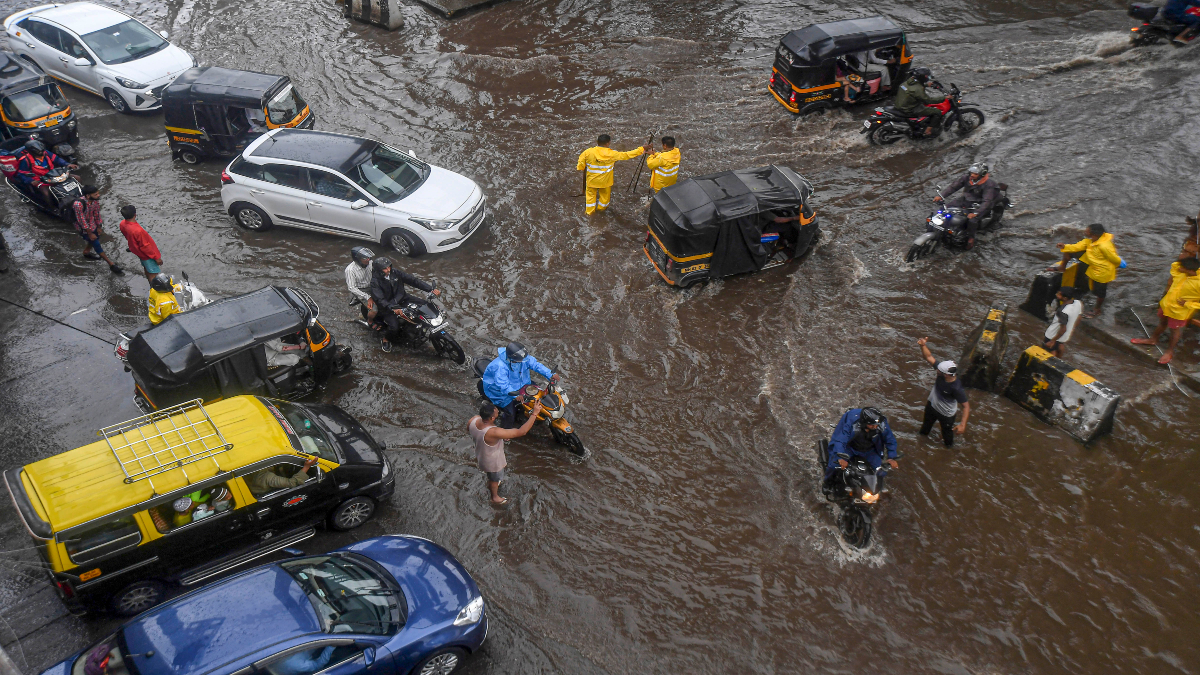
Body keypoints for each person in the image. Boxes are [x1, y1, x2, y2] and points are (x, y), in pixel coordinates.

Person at [468, 399, 543, 504]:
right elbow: (522, 431)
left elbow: (471, 431)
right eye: (496, 412)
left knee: (492, 476)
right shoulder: (494, 432)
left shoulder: (473, 420)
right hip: (492, 462)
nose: (498, 412)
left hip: (481, 455)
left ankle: (493, 481)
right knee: (494, 479)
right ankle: (495, 497)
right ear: (492, 418)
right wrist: (535, 413)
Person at [1131, 257, 1200, 364]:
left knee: (1174, 330)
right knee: (1162, 322)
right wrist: (1183, 267)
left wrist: (1188, 304)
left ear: (1190, 270)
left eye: (1183, 268)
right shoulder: (1182, 273)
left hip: (1179, 312)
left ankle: (1169, 351)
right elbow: (1174, 265)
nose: (1180, 268)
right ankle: (1153, 339)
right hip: (1166, 305)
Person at [369, 256, 439, 352]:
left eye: (389, 266)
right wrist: (392, 308)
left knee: (426, 305)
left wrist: (430, 289)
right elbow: (380, 299)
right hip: (388, 306)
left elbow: (413, 280)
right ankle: (386, 339)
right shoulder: (375, 282)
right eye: (385, 268)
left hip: (403, 298)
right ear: (379, 270)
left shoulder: (395, 273)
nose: (388, 269)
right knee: (394, 327)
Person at [1051, 223, 1123, 318]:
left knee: (1100, 292)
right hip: (1091, 262)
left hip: (1102, 272)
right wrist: (1065, 246)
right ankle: (1062, 267)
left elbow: (1116, 260)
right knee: (1068, 251)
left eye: (1087, 231)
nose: (1085, 231)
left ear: (1094, 234)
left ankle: (1097, 310)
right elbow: (1078, 246)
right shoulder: (1091, 241)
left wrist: (1114, 266)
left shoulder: (1104, 246)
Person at [481, 342, 558, 429]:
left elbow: (536, 365)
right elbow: (503, 385)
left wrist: (550, 374)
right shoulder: (499, 367)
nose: (523, 361)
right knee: (510, 413)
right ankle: (506, 431)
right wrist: (516, 395)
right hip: (501, 392)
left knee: (540, 395)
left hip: (522, 383)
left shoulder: (522, 357)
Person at [823, 407, 899, 492]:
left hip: (870, 451)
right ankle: (827, 483)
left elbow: (890, 440)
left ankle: (875, 488)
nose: (875, 427)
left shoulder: (882, 424)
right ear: (864, 422)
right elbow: (841, 439)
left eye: (876, 425)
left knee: (881, 470)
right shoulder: (852, 422)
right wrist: (840, 456)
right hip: (850, 448)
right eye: (872, 425)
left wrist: (892, 458)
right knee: (834, 466)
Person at [576, 134, 650, 215]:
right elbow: (627, 155)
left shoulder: (587, 152)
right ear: (608, 143)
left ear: (597, 142)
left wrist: (584, 166)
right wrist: (642, 149)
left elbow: (580, 166)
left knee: (590, 199)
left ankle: (590, 213)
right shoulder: (612, 154)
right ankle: (601, 211)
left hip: (591, 181)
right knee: (604, 199)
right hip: (605, 182)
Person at [917, 337, 970, 447]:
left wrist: (962, 424)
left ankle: (949, 450)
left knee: (947, 435)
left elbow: (966, 407)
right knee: (924, 429)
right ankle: (920, 443)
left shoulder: (956, 388)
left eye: (939, 371)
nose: (937, 370)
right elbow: (929, 357)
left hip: (946, 414)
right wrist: (923, 345)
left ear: (947, 374)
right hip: (932, 406)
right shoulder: (943, 372)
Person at [934, 163, 1000, 250]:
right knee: (943, 209)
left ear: (981, 174)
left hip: (980, 204)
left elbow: (987, 201)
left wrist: (976, 212)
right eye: (971, 172)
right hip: (966, 199)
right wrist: (941, 196)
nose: (972, 175)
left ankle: (971, 239)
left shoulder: (989, 185)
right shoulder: (966, 178)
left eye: (975, 174)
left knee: (972, 220)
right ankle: (938, 229)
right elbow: (953, 187)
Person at [72, 185, 124, 274]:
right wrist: (89, 233)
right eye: (96, 194)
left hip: (93, 224)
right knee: (96, 244)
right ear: (88, 196)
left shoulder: (95, 201)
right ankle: (111, 264)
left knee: (94, 239)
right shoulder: (78, 204)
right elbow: (81, 220)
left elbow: (97, 214)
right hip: (83, 228)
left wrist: (99, 227)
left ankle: (86, 252)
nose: (98, 195)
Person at [14, 140, 76, 207]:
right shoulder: (25, 160)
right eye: (40, 151)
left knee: (76, 178)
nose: (42, 152)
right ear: (32, 152)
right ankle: (52, 207)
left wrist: (67, 164)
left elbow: (57, 159)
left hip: (54, 175)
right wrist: (31, 181)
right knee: (46, 193)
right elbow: (21, 174)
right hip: (40, 180)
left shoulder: (46, 153)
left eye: (43, 150)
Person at [893, 67, 946, 137]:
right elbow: (928, 100)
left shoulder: (908, 82)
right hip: (909, 109)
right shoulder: (918, 89)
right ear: (923, 77)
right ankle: (927, 131)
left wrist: (927, 85)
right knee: (937, 112)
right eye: (927, 76)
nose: (928, 78)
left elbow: (914, 88)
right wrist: (944, 98)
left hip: (900, 104)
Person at [117, 205, 163, 282]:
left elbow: (126, 236)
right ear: (135, 215)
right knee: (153, 273)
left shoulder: (122, 224)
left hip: (137, 251)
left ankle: (150, 283)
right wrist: (156, 258)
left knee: (147, 268)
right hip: (147, 255)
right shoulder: (138, 230)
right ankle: (154, 289)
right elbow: (145, 246)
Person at [247, 457, 319, 496]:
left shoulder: (252, 464)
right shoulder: (267, 477)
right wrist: (307, 466)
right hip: (262, 491)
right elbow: (291, 482)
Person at [1044, 287, 1082, 357]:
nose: (1056, 294)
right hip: (1065, 336)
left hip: (1052, 335)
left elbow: (1063, 329)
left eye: (1059, 294)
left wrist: (1052, 340)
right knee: (1060, 346)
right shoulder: (1078, 303)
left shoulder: (1062, 311)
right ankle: (1059, 360)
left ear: (1065, 298)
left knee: (1050, 351)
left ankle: (1051, 363)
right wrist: (1072, 329)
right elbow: (1079, 318)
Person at [344, 246, 377, 325]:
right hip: (361, 290)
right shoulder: (350, 270)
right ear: (358, 259)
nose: (368, 260)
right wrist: (368, 297)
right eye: (365, 258)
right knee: (374, 310)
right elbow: (351, 287)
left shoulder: (370, 263)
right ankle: (370, 322)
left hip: (372, 285)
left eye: (368, 257)